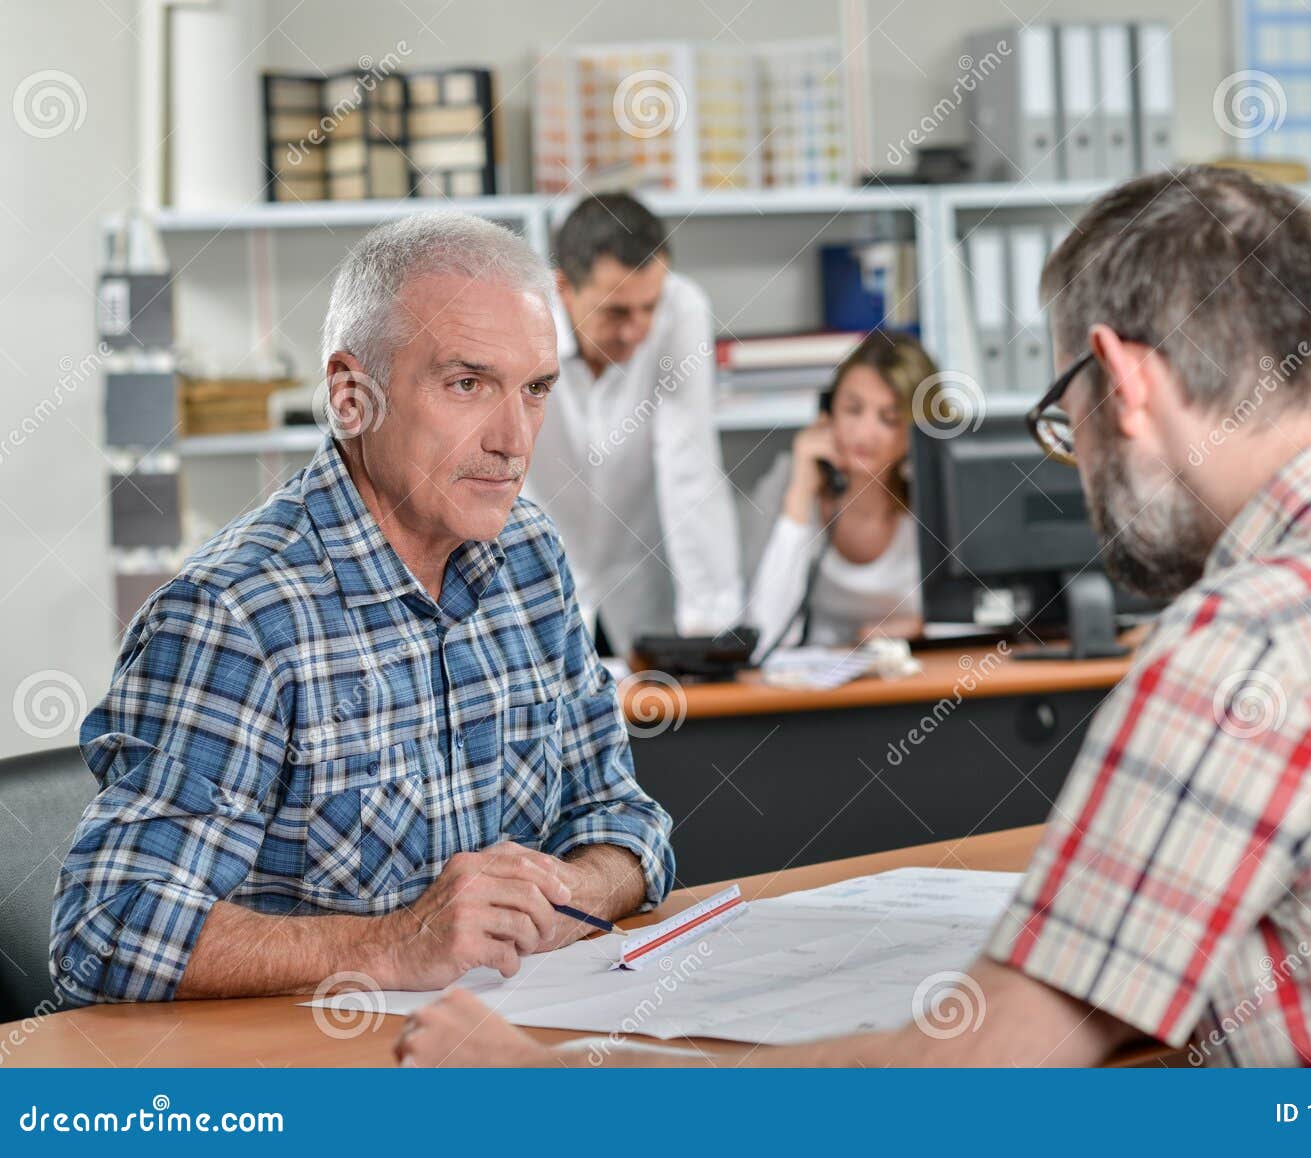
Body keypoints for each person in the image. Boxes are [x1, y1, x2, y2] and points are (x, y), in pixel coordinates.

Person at [396, 167, 1311, 1068]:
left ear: (1121, 382)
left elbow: (979, 1072)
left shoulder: (1245, 649)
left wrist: (551, 1080)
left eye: (1065, 419)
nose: (1072, 465)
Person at [51, 211, 674, 1005]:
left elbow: (622, 819)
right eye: (467, 384)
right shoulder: (238, 614)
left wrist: (568, 897)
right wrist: (395, 943)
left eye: (535, 390)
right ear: (351, 397)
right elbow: (106, 926)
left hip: (496, 1050)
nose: (514, 440)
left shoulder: (530, 559)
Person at [522, 192, 742, 655]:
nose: (637, 330)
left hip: (644, 589)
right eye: (616, 312)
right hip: (534, 587)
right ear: (563, 288)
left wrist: (712, 629)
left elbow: (690, 466)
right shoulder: (519, 321)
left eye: (649, 307)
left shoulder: (682, 309)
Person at [743, 330, 939, 650]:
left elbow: (989, 618)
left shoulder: (937, 498)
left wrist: (920, 628)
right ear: (828, 409)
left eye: (888, 419)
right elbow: (764, 634)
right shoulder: (785, 484)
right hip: (813, 689)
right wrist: (799, 496)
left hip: (916, 680)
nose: (864, 432)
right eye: (852, 409)